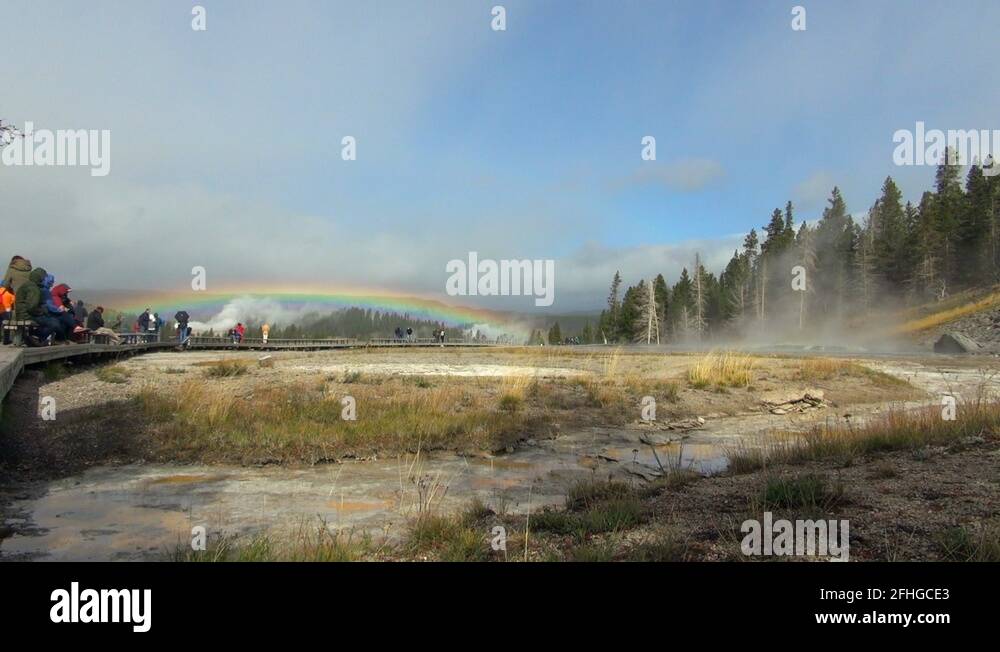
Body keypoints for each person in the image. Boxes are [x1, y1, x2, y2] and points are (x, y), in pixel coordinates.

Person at [14, 267, 61, 345]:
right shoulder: (34, 288)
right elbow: (31, 307)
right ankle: (37, 337)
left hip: (21, 314)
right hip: (27, 315)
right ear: (40, 278)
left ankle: (34, 337)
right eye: (44, 278)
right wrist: (43, 311)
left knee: (49, 321)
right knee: (54, 323)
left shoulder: (26, 285)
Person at [43, 276, 75, 343]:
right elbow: (56, 306)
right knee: (64, 322)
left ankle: (65, 338)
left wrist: (69, 302)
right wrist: (63, 309)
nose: (66, 293)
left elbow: (65, 300)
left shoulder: (62, 295)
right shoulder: (54, 295)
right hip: (54, 314)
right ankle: (60, 339)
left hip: (59, 312)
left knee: (68, 320)